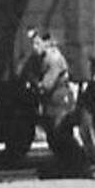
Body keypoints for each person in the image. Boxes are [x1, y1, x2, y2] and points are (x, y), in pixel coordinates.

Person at [22, 30, 80, 162]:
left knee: (60, 131)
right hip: (50, 99)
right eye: (33, 44)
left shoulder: (53, 58)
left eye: (37, 43)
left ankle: (75, 161)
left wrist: (34, 83)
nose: (34, 47)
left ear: (46, 43)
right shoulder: (36, 58)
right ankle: (64, 161)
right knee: (52, 133)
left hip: (59, 97)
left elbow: (46, 85)